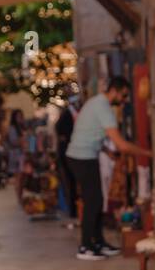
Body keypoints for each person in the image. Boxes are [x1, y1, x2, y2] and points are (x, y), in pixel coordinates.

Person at [64, 76, 150, 260]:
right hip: (82, 157)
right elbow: (122, 145)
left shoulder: (96, 103)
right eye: (124, 96)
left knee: (96, 200)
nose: (124, 100)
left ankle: (98, 242)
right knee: (93, 201)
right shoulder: (104, 108)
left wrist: (105, 151)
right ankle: (86, 246)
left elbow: (88, 131)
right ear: (115, 91)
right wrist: (149, 153)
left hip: (85, 155)